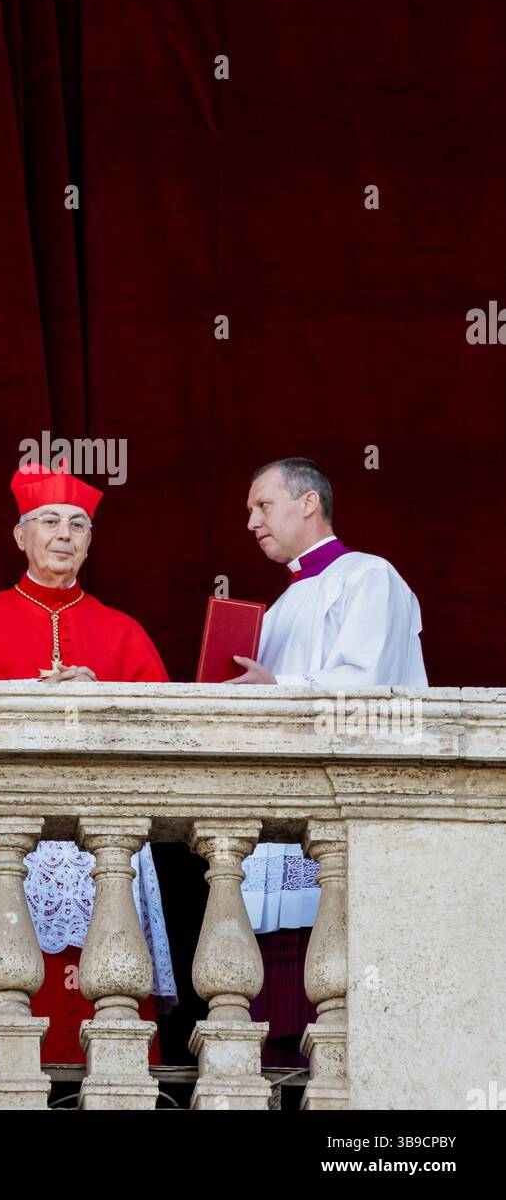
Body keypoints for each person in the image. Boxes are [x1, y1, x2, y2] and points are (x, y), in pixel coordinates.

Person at [0, 459, 177, 1061]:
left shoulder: (124, 633)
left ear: (90, 540)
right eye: (49, 521)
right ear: (20, 535)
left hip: (96, 832)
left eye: (78, 525)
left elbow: (166, 738)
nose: (64, 535)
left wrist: (105, 702)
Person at [228, 456, 427, 1064]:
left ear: (308, 502)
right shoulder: (282, 605)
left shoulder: (369, 577)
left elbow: (368, 690)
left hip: (347, 813)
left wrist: (278, 687)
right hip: (282, 814)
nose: (252, 521)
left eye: (263, 505)